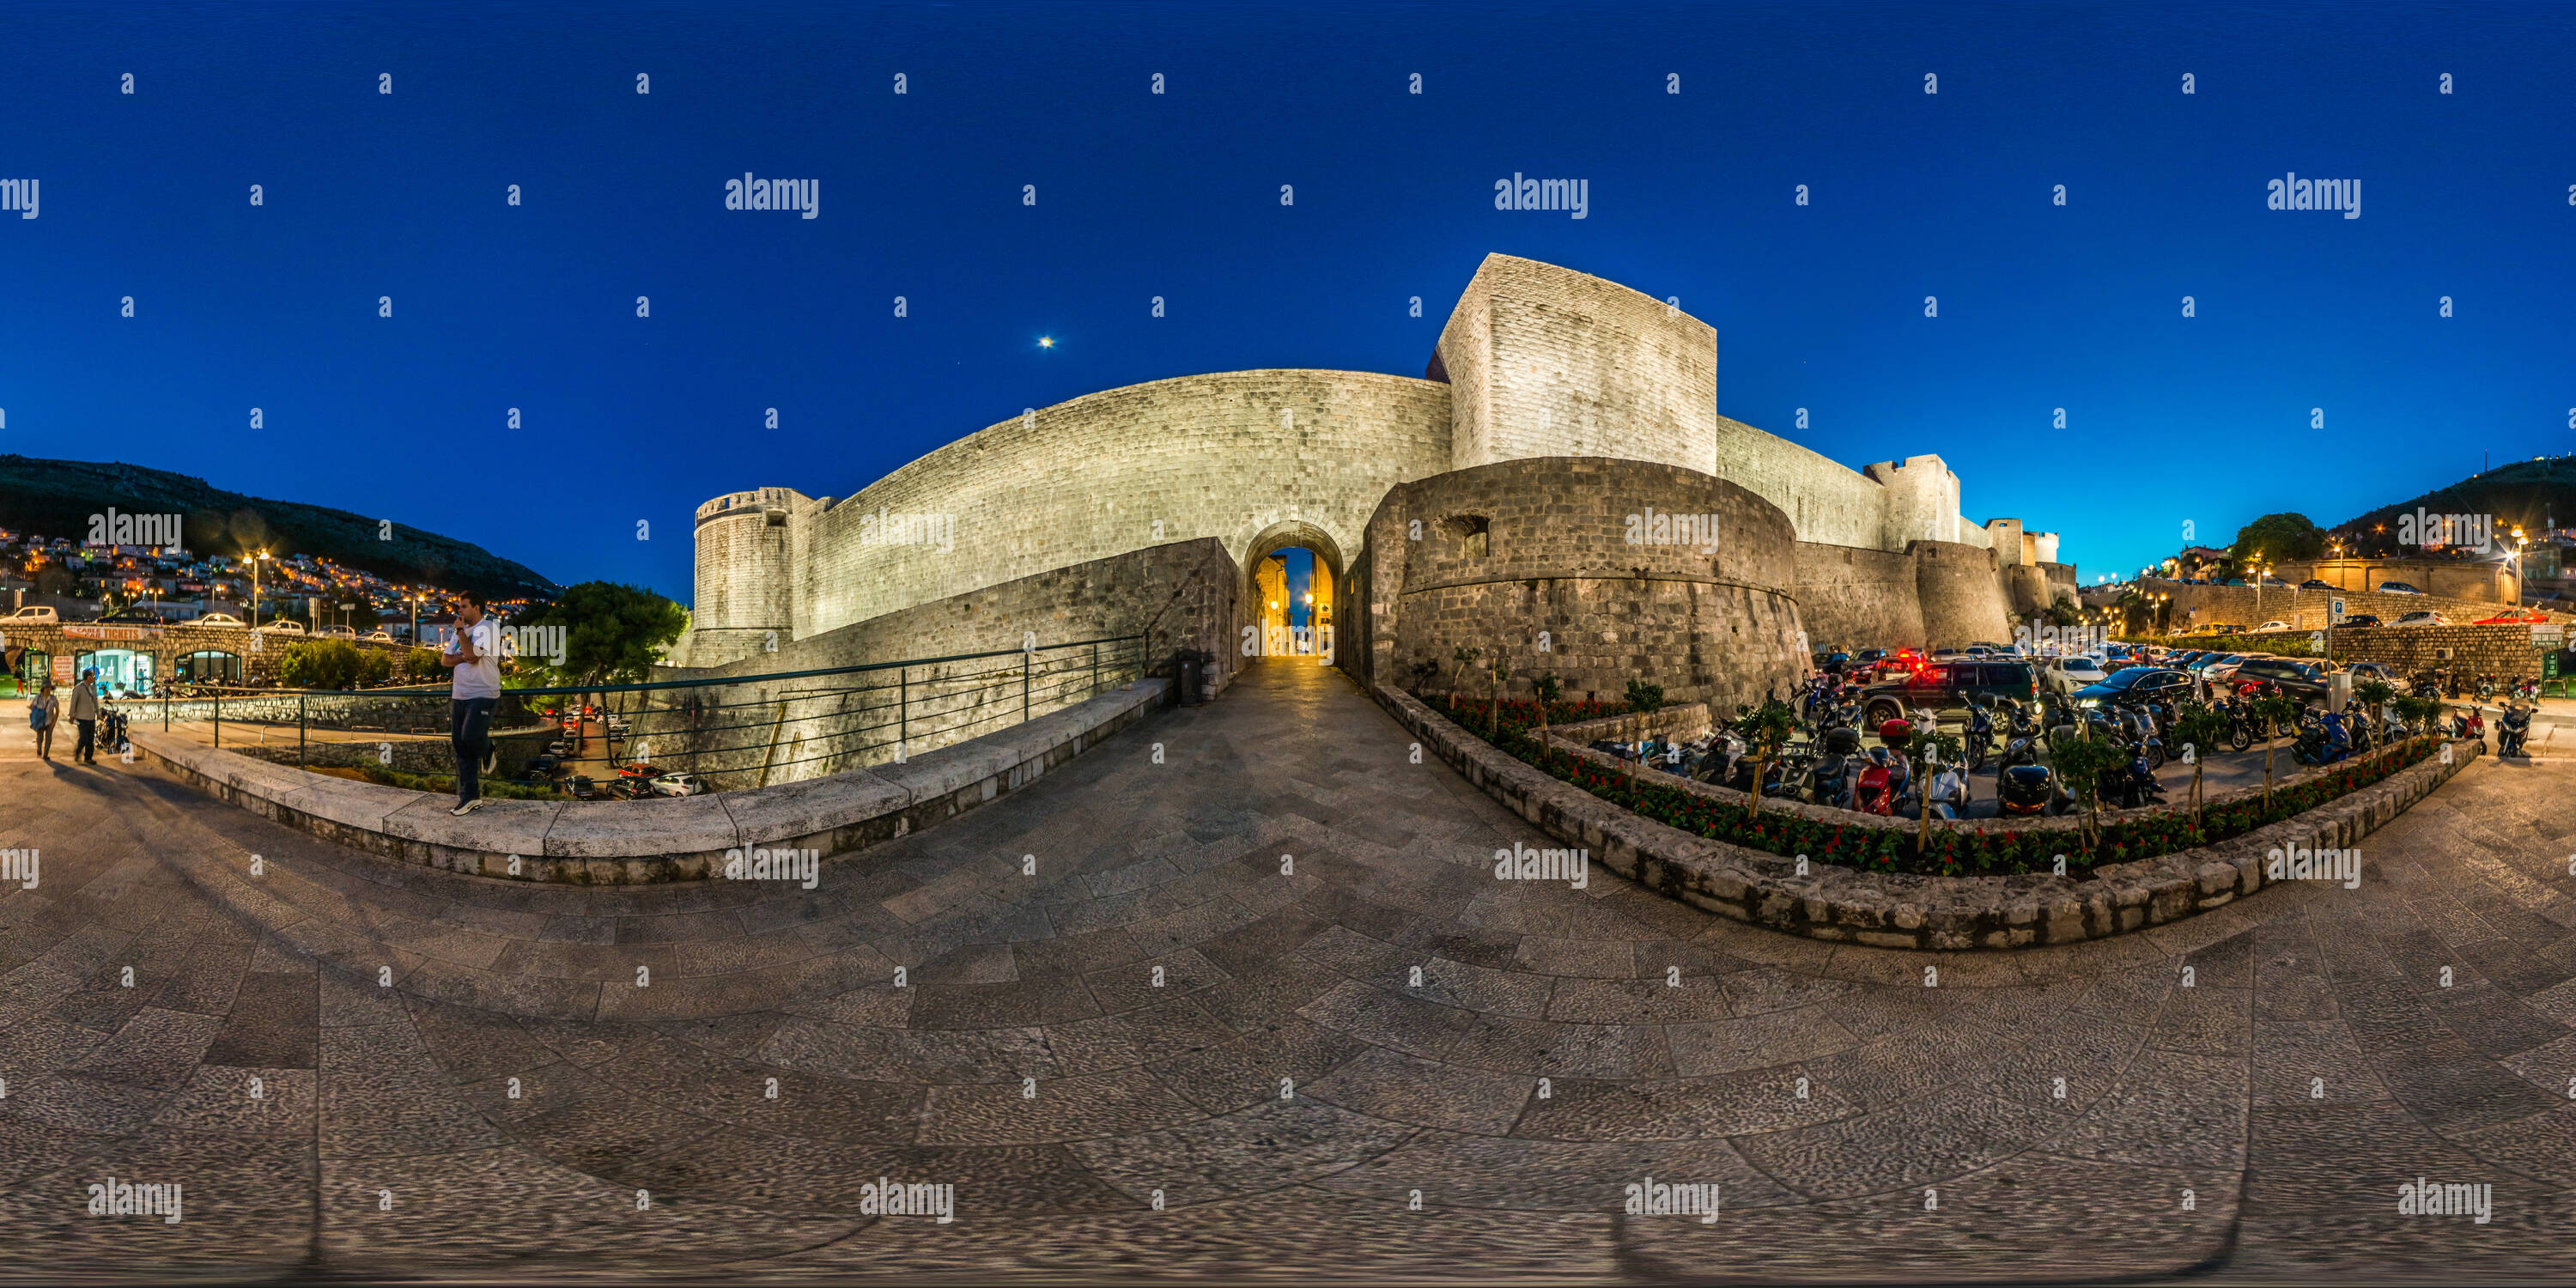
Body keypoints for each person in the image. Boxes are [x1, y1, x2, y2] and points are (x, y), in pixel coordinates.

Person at [440, 596, 503, 816]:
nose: (460, 610)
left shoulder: (489, 627)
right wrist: (464, 654)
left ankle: (489, 748)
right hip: (460, 694)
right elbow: (445, 660)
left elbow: (473, 656)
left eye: (464, 606)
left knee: (471, 737)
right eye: (459, 606)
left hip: (483, 692)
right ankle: (470, 797)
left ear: (477, 607)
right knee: (460, 746)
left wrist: (461, 637)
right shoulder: (462, 632)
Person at [68, 668, 101, 764]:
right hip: (82, 718)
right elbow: (73, 702)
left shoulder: (93, 688)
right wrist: (72, 715)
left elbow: (95, 702)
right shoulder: (78, 688)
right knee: (84, 738)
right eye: (92, 675)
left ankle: (88, 758)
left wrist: (98, 714)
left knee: (91, 739)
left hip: (91, 718)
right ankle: (78, 752)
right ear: (88, 677)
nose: (94, 677)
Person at [28, 680, 58, 761]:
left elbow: (57, 711)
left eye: (49, 688)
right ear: (43, 688)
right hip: (40, 722)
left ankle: (46, 754)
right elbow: (32, 706)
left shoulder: (53, 698)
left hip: (49, 721)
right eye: (46, 688)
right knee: (40, 737)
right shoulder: (38, 697)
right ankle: (39, 749)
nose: (48, 689)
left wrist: (54, 722)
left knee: (48, 738)